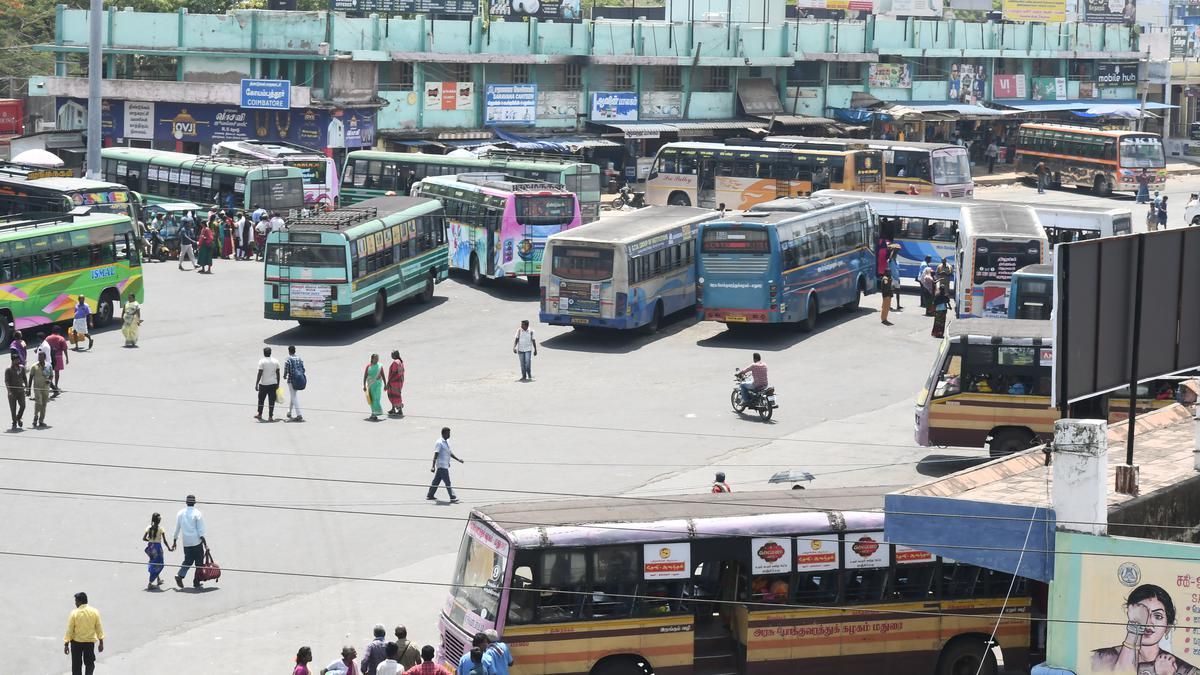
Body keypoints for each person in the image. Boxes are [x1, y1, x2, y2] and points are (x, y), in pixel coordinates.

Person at [1091, 584, 1199, 674]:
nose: (1148, 623)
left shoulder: (1186, 670)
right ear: (1130, 615)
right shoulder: (1100, 659)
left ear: (1168, 626)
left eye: (1158, 616)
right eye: (1142, 614)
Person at [172, 493, 208, 589]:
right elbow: (200, 531)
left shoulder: (180, 513)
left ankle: (180, 575)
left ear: (186, 502)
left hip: (186, 543)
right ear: (195, 502)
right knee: (199, 563)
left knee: (188, 560)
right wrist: (205, 544)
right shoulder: (197, 513)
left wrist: (175, 540)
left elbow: (177, 528)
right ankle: (196, 581)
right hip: (196, 542)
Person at [64, 591, 104, 675]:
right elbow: (98, 627)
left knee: (76, 666)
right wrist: (101, 642)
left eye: (76, 601)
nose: (75, 603)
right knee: (89, 664)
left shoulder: (74, 613)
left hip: (76, 643)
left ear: (80, 601)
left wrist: (66, 644)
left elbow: (70, 630)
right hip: (89, 643)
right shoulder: (94, 612)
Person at [427, 426, 463, 503]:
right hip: (441, 465)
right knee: (447, 482)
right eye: (448, 433)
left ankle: (430, 495)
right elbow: (436, 454)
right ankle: (452, 497)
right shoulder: (439, 442)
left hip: (444, 465)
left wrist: (458, 459)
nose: (449, 435)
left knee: (436, 481)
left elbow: (449, 453)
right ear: (443, 433)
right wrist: (433, 466)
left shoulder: (447, 441)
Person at [142, 512, 174, 589]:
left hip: (151, 547)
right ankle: (150, 583)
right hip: (157, 548)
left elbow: (144, 538)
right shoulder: (161, 529)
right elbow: (165, 541)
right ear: (159, 521)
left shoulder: (148, 527)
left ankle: (158, 579)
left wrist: (150, 540)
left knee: (154, 562)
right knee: (160, 564)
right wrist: (169, 548)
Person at [26, 349, 52, 428]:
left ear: (44, 357)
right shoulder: (34, 366)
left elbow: (51, 375)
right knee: (39, 403)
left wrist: (49, 380)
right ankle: (35, 416)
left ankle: (41, 420)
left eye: (41, 357)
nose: (40, 358)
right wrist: (28, 389)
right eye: (39, 357)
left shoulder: (48, 365)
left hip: (46, 388)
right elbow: (30, 378)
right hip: (37, 388)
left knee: (44, 404)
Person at [255, 346, 281, 422]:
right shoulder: (276, 361)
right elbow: (278, 373)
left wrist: (256, 384)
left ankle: (259, 414)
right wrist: (278, 384)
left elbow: (260, 373)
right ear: (270, 353)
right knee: (271, 401)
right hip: (273, 384)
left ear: (264, 353)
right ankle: (270, 416)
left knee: (261, 400)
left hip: (263, 384)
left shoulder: (261, 361)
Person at [283, 345, 305, 422]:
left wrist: (284, 376)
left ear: (289, 351)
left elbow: (286, 369)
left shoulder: (288, 359)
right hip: (299, 379)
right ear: (295, 351)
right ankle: (289, 411)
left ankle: (299, 415)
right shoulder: (299, 358)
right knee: (293, 395)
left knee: (294, 396)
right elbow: (303, 369)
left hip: (291, 380)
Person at [45, 327, 69, 394]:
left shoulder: (47, 338)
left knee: (49, 373)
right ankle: (55, 386)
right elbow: (64, 349)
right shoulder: (61, 338)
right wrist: (67, 358)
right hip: (58, 357)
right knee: (57, 373)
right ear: (59, 331)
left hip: (49, 357)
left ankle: (49, 386)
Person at [6, 353, 26, 429]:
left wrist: (27, 387)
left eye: (18, 359)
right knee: (13, 408)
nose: (18, 361)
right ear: (13, 360)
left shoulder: (22, 368)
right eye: (16, 360)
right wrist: (9, 391)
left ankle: (18, 417)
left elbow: (24, 378)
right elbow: (7, 381)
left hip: (21, 391)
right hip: (12, 392)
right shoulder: (8, 370)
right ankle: (14, 422)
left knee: (23, 406)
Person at [363, 353, 385, 421]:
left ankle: (375, 413)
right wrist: (364, 385)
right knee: (371, 400)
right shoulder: (368, 366)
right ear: (372, 359)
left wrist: (385, 384)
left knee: (376, 399)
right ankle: (373, 413)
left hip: (378, 385)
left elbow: (383, 374)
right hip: (370, 385)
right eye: (376, 358)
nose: (377, 359)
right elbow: (365, 376)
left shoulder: (380, 366)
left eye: (378, 358)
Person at [387, 351, 405, 417]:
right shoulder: (400, 361)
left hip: (394, 382)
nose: (391, 355)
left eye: (392, 354)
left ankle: (400, 410)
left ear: (395, 355)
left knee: (395, 395)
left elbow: (394, 373)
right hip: (399, 381)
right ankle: (393, 409)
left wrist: (388, 382)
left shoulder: (395, 362)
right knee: (393, 395)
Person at [887, 245, 902, 310]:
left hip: (897, 278)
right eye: (895, 254)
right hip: (892, 278)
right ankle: (888, 305)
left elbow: (897, 270)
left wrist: (898, 279)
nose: (895, 255)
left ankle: (898, 305)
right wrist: (893, 250)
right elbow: (890, 258)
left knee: (898, 293)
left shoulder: (897, 262)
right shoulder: (890, 261)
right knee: (890, 293)